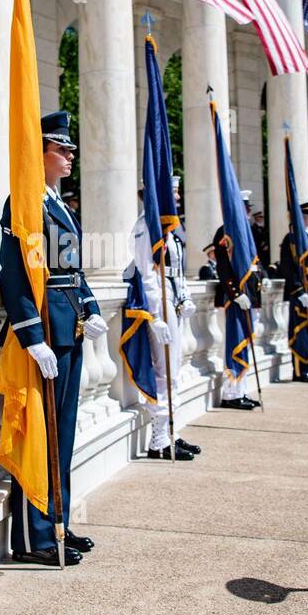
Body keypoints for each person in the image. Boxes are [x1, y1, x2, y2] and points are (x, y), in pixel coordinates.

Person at [0, 110, 102, 566]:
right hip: (46, 331)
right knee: (40, 432)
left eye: (70, 150)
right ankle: (34, 537)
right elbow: (15, 273)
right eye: (62, 149)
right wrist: (32, 336)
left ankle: (58, 520)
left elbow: (72, 269)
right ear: (39, 153)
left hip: (70, 325)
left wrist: (92, 306)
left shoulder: (58, 204)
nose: (70, 157)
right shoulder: (23, 203)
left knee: (63, 432)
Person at [129, 183, 198, 461]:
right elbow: (145, 272)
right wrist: (156, 314)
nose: (178, 195)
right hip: (160, 301)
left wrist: (186, 296)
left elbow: (176, 268)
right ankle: (159, 440)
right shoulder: (147, 225)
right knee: (164, 370)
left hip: (174, 298)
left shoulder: (171, 227)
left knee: (174, 368)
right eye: (173, 190)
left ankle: (171, 431)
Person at [208, 207, 262, 409]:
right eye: (244, 208)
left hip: (250, 299)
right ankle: (231, 394)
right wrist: (236, 294)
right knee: (234, 344)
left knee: (245, 345)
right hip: (235, 299)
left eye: (247, 209)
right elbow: (223, 266)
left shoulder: (244, 231)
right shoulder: (226, 233)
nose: (246, 212)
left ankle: (241, 391)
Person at [278, 201, 308, 382]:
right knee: (300, 332)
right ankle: (299, 370)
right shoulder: (291, 239)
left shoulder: (306, 238)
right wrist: (298, 289)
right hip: (299, 294)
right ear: (302, 217)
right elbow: (287, 268)